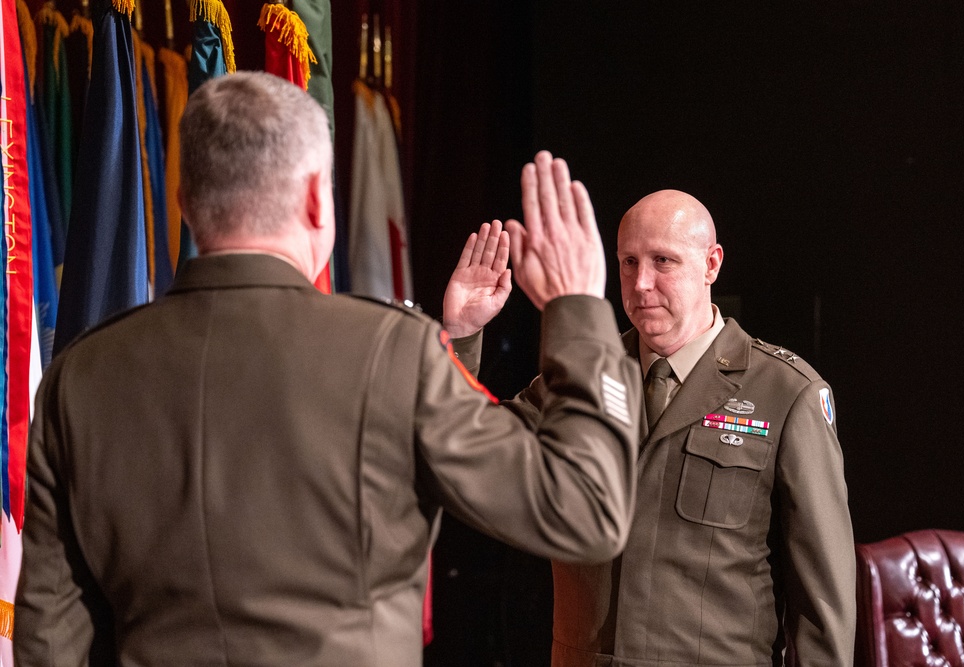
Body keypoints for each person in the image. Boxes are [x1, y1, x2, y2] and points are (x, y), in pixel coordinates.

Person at [14, 73, 642, 666]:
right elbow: (586, 510)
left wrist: (456, 338)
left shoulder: (81, 375)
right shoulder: (392, 352)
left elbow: (49, 638)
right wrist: (579, 309)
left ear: (183, 199)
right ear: (318, 196)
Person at [445, 188, 855, 665]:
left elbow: (822, 603)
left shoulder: (786, 393)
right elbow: (466, 449)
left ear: (711, 264)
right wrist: (459, 335)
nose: (640, 284)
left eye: (663, 261)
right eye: (627, 262)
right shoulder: (579, 374)